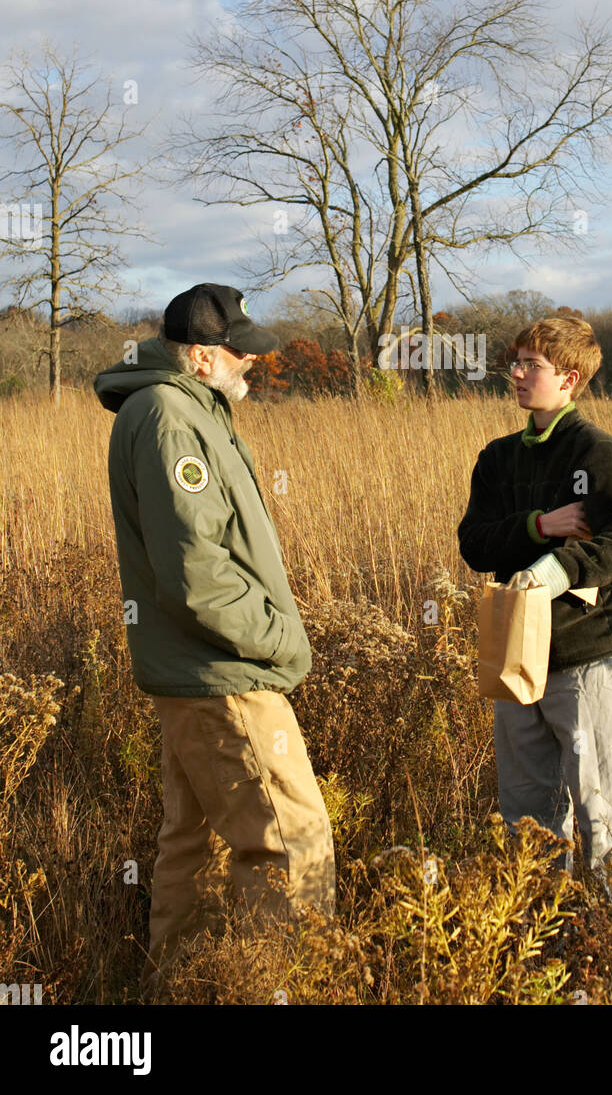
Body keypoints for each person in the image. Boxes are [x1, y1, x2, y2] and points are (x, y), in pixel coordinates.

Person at [93, 283, 335, 999]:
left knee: (189, 850)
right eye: (240, 351)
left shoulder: (184, 409)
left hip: (194, 674)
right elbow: (196, 574)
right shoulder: (170, 417)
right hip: (223, 675)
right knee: (291, 842)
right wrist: (280, 644)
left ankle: (182, 990)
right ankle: (284, 988)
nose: (252, 363)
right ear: (201, 356)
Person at [457, 315, 612, 900]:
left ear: (569, 379)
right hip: (515, 661)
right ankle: (541, 957)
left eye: (531, 366)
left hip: (584, 660)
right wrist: (540, 527)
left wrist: (563, 568)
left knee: (599, 818)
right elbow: (474, 543)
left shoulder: (595, 451)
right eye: (515, 362)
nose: (515, 374)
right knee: (527, 822)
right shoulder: (496, 459)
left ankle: (609, 954)